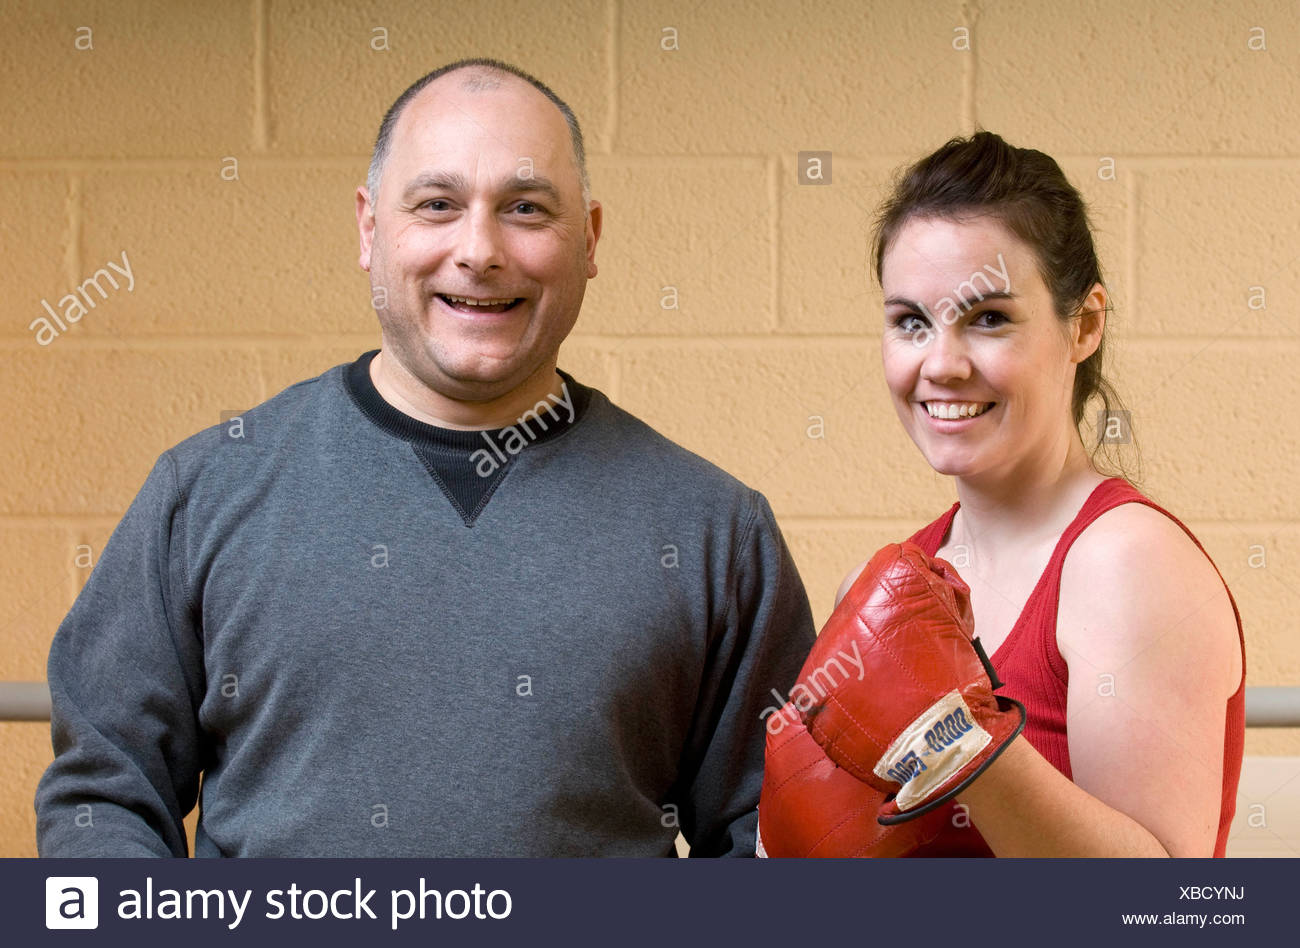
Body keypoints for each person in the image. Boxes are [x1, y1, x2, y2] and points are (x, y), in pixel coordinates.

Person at [35, 58, 816, 858]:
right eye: (438, 205)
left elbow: (771, 838)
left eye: (525, 208)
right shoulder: (207, 491)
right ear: (370, 228)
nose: (479, 251)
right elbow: (106, 794)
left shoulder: (714, 529)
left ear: (589, 238)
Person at [758, 131, 1244, 857]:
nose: (942, 365)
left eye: (989, 318)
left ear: (1084, 325)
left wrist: (959, 743)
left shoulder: (1126, 563)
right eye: (911, 322)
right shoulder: (882, 588)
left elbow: (1166, 906)